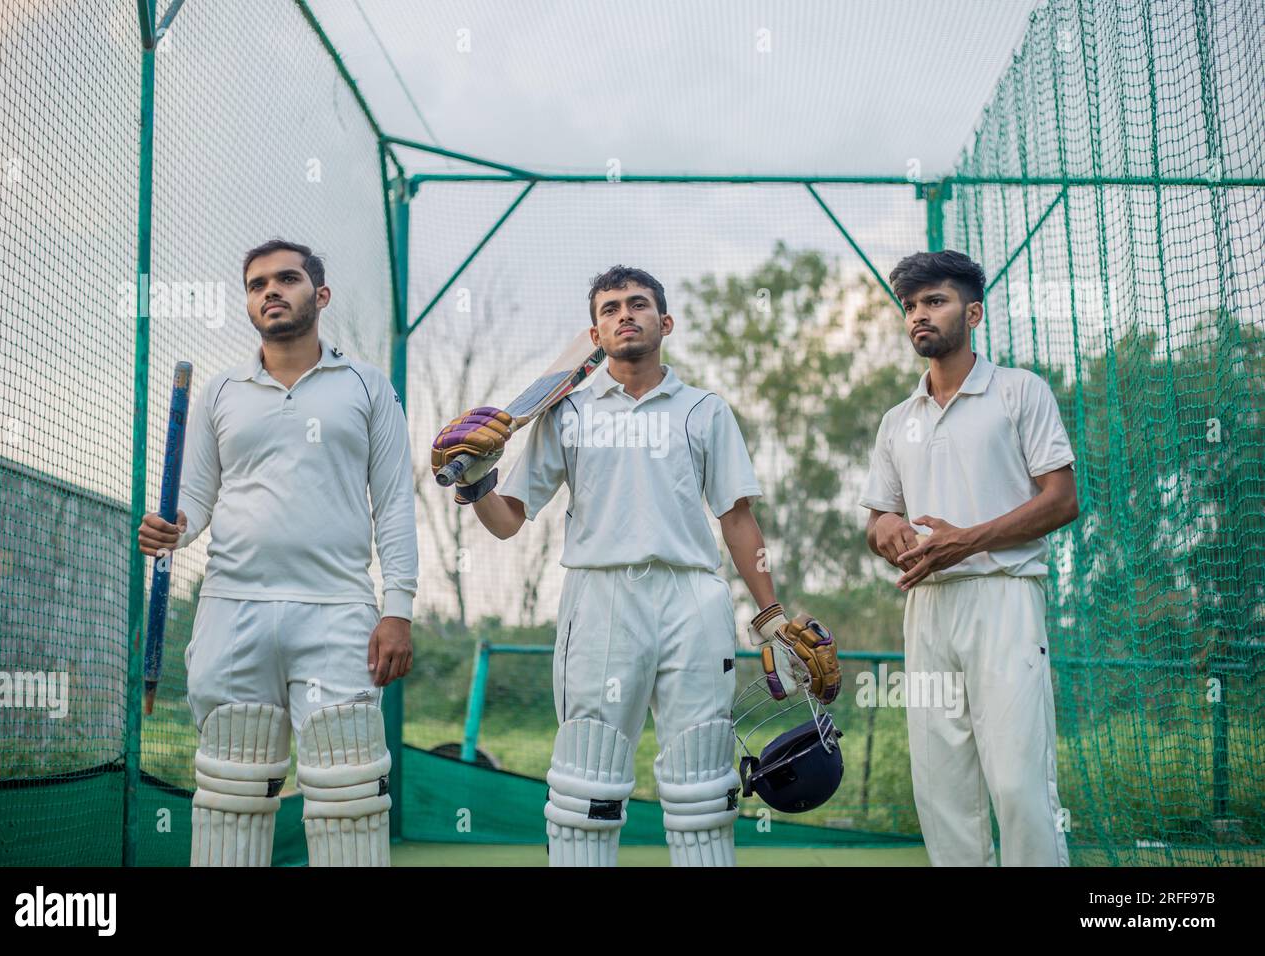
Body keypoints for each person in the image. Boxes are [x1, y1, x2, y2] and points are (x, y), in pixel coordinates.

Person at [431, 265, 839, 866]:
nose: (625, 314)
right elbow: (510, 518)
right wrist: (472, 486)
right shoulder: (565, 414)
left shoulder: (705, 410)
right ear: (593, 335)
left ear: (665, 322)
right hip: (598, 599)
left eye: (638, 304)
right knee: (586, 788)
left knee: (704, 788)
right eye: (610, 308)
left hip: (694, 599)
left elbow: (737, 517)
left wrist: (770, 614)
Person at [136, 239, 417, 867]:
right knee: (231, 795)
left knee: (349, 797)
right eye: (257, 283)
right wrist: (170, 529)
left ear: (319, 296)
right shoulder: (219, 392)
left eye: (286, 279)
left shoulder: (368, 387)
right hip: (233, 608)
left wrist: (397, 608)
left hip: (338, 609)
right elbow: (194, 502)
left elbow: (395, 500)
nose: (270, 291)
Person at [861, 249, 1077, 866]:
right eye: (910, 307)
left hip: (1004, 596)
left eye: (935, 301)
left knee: (1018, 785)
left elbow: (1062, 501)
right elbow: (878, 521)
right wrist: (889, 531)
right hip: (926, 610)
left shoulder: (1019, 391)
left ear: (973, 312)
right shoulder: (895, 421)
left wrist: (967, 539)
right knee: (943, 794)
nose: (919, 316)